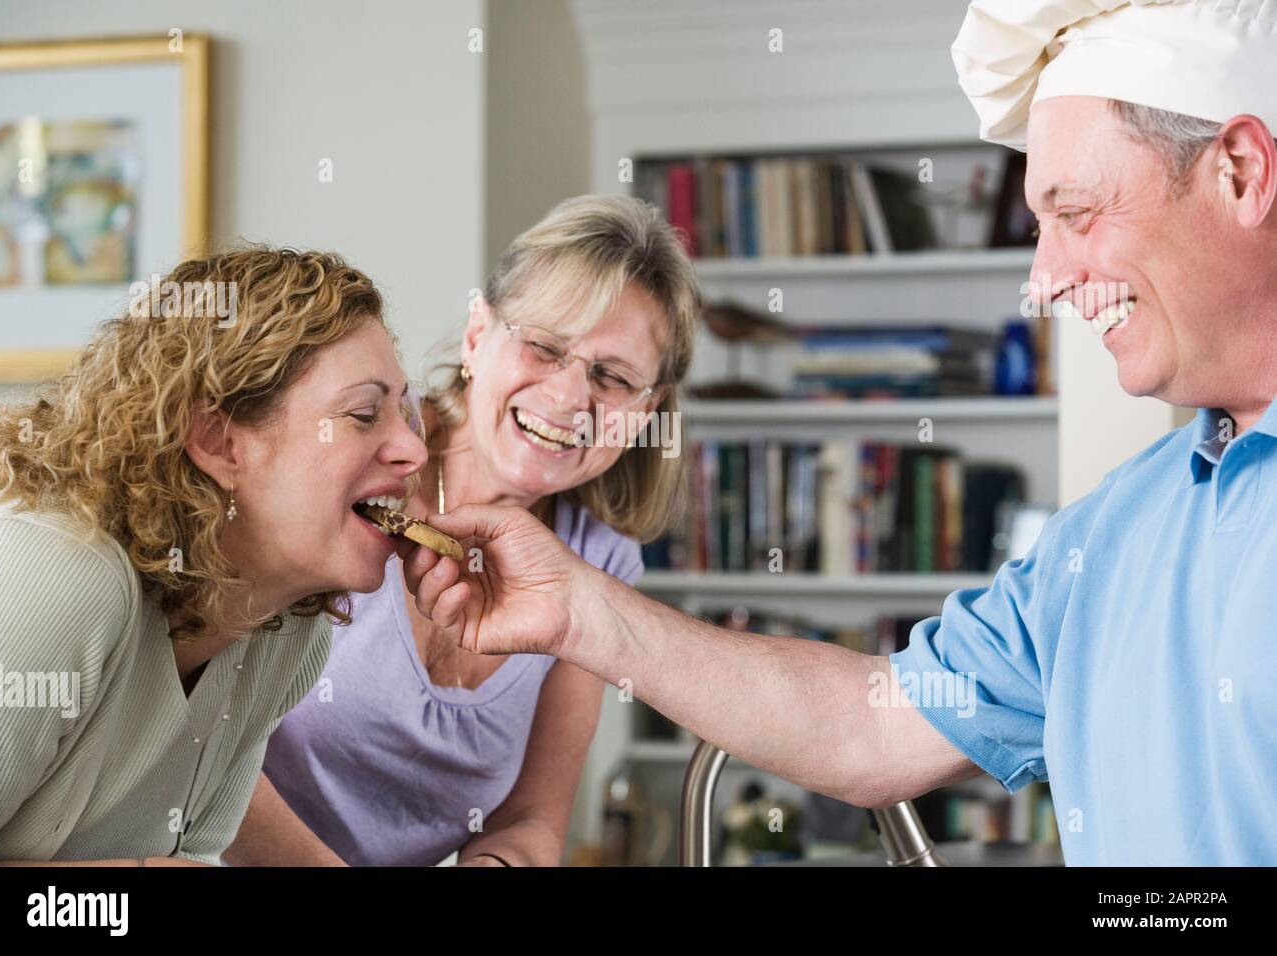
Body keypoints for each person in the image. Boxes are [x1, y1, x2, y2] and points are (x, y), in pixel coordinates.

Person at [403, 0, 1277, 865]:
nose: (1042, 281)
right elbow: (872, 723)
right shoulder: (1110, 537)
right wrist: (576, 611)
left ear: (1240, 171)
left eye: (1077, 212)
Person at [224, 196, 700, 866]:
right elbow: (200, 741)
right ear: (479, 334)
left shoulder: (600, 559)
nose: (568, 398)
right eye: (543, 346)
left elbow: (532, 819)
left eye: (612, 377)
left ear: (648, 411)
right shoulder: (354, 452)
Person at [0, 247, 427, 865]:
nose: (413, 451)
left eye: (404, 413)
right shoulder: (60, 578)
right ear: (217, 441)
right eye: (363, 415)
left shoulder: (285, 635)